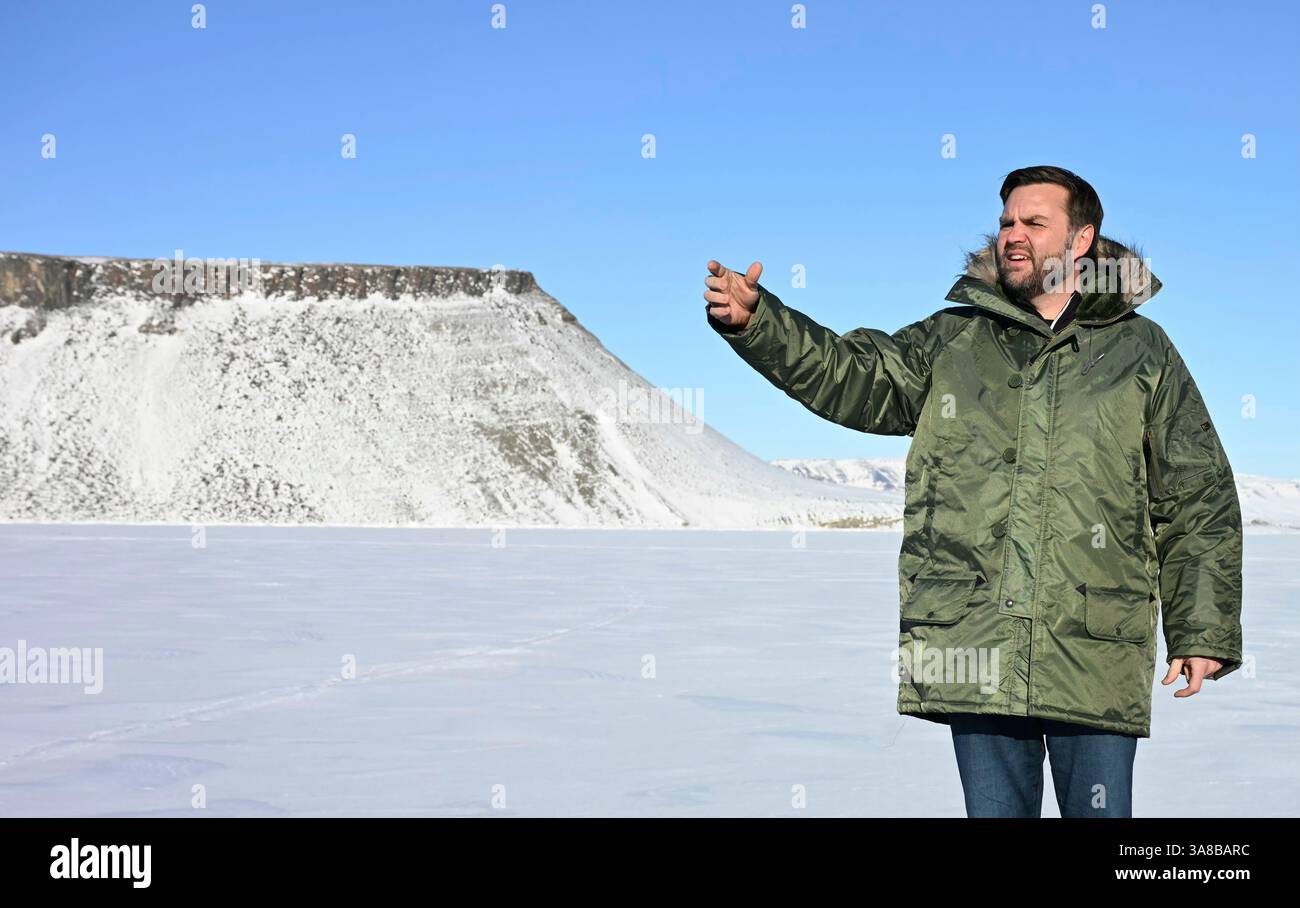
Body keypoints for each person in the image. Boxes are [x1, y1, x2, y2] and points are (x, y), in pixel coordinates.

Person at [703, 165, 1243, 818]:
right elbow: (853, 377)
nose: (1013, 235)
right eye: (1007, 222)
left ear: (1080, 240)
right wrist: (761, 323)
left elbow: (1197, 498)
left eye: (1034, 223)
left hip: (1095, 648)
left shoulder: (1141, 352)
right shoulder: (953, 339)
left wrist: (1202, 628)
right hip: (977, 644)